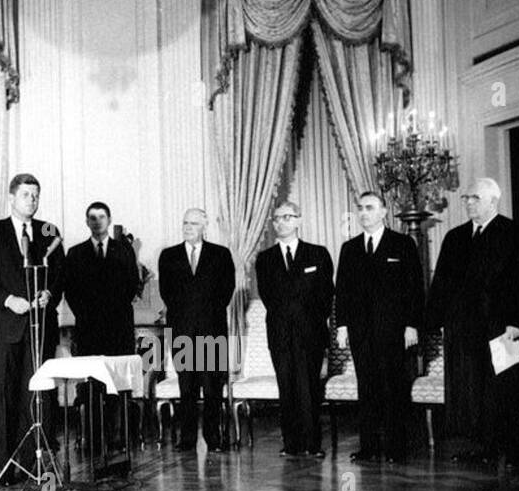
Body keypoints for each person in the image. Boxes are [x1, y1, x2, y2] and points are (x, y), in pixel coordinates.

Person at [427, 178, 519, 471]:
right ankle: (483, 447)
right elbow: (441, 283)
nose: (468, 202)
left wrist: (518, 322)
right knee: (475, 388)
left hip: (504, 330)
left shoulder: (516, 233)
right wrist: (439, 321)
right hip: (466, 331)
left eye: (475, 198)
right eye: (467, 198)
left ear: (493, 201)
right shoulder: (455, 237)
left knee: (509, 389)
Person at [0, 174, 65, 481]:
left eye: (36, 195)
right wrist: (8, 299)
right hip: (6, 327)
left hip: (40, 328)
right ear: (11, 198)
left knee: (38, 395)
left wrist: (50, 293)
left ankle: (37, 463)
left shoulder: (49, 231)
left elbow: (60, 274)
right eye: (26, 195)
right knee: (7, 394)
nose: (32, 200)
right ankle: (9, 466)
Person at [334, 191, 423, 464]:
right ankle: (369, 448)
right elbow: (343, 292)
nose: (363, 213)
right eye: (360, 208)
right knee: (367, 388)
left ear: (384, 212)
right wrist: (342, 327)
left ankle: (396, 448)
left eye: (369, 208)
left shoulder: (403, 244)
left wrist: (412, 325)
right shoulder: (349, 249)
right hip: (361, 333)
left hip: (395, 331)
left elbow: (415, 288)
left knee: (395, 388)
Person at [254, 201, 334, 459]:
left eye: (287, 217)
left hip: (310, 333)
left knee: (310, 389)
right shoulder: (265, 259)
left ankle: (313, 444)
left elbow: (325, 295)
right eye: (277, 218)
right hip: (279, 334)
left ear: (298, 220)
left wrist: (309, 320)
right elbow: (269, 298)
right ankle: (291, 444)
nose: (281, 222)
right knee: (286, 388)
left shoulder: (318, 254)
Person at [157, 209, 235, 454]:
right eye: (185, 223)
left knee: (213, 388)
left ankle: (214, 438)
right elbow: (166, 293)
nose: (188, 227)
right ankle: (187, 439)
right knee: (186, 388)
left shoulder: (220, 254)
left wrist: (205, 314)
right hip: (182, 330)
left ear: (204, 226)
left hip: (212, 329)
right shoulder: (168, 255)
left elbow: (226, 290)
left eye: (193, 223)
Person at [63, 202, 141, 358]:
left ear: (109, 220)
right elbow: (70, 290)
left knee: (119, 377)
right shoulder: (75, 253)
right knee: (91, 377)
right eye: (92, 218)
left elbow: (132, 284)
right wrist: (84, 315)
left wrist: (115, 312)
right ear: (87, 222)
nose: (97, 221)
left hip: (119, 327)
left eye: (101, 217)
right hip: (88, 328)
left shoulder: (124, 250)